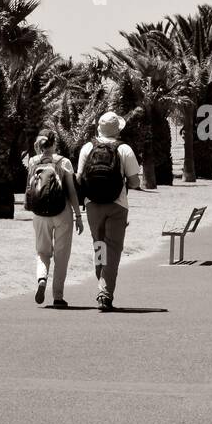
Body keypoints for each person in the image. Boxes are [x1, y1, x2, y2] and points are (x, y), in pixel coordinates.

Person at [77, 111, 142, 311]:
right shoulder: (124, 149)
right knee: (113, 248)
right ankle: (105, 293)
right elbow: (135, 181)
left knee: (99, 245)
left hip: (92, 204)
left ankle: (101, 283)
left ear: (99, 128)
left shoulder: (88, 147)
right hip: (117, 204)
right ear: (118, 130)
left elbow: (79, 178)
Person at [24, 129, 82, 308]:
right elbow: (72, 191)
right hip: (62, 211)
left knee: (42, 252)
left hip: (40, 214)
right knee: (61, 255)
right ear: (54, 142)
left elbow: (30, 187)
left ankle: (41, 278)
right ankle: (58, 296)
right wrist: (78, 215)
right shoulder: (64, 162)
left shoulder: (33, 161)